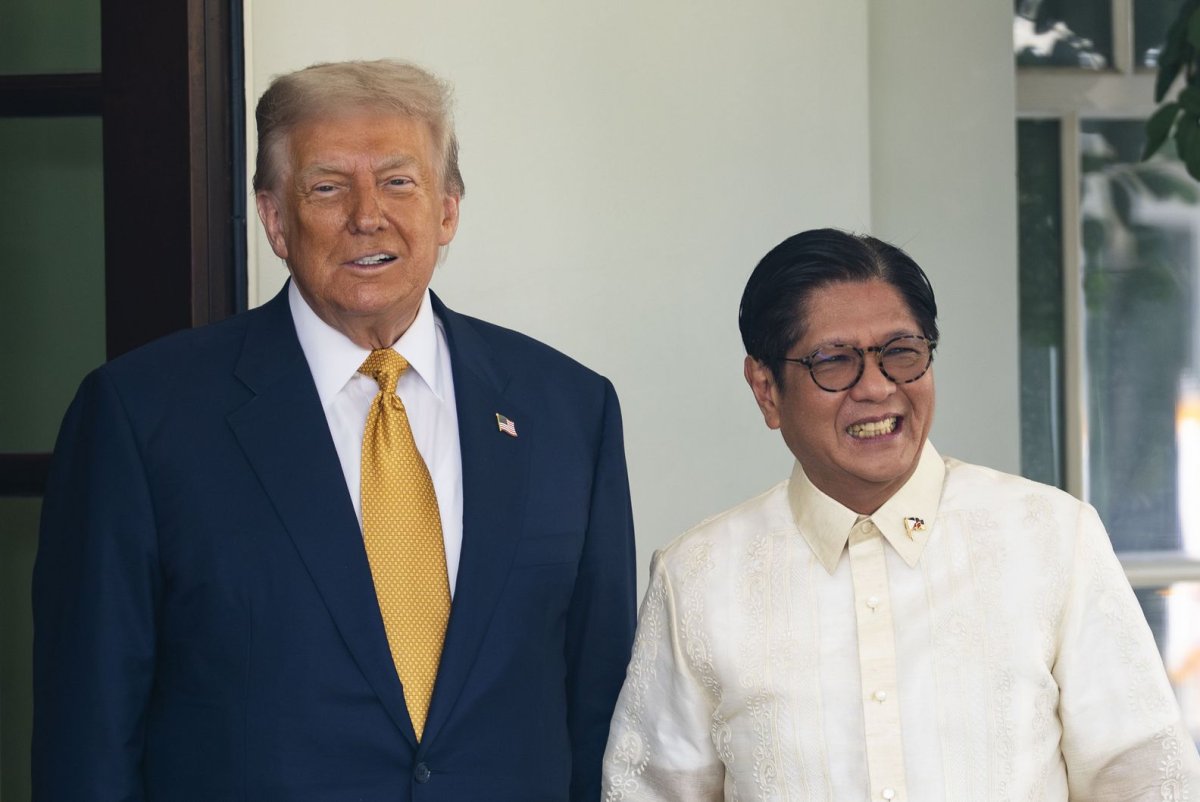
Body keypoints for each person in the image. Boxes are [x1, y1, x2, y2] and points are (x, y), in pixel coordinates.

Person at [33, 59, 636, 801]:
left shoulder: (570, 411)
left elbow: (603, 714)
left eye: (398, 181)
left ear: (447, 210)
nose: (367, 215)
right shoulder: (141, 418)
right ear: (275, 219)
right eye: (327, 187)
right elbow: (88, 735)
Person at [602, 228, 1200, 800]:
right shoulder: (698, 577)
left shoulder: (1050, 538)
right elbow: (649, 792)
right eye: (834, 361)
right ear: (765, 389)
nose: (878, 387)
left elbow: (1145, 778)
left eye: (901, 353)